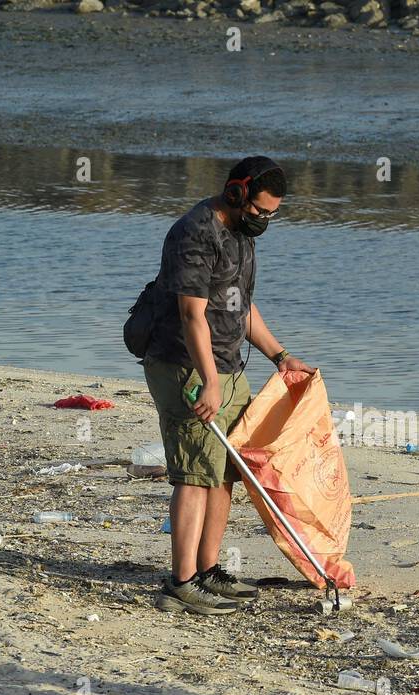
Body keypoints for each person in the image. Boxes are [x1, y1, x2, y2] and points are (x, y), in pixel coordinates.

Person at [142, 156, 314, 615]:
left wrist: (280, 355)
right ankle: (179, 584)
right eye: (260, 211)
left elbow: (243, 308)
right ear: (237, 194)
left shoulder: (242, 235)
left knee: (223, 474)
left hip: (229, 367)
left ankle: (208, 571)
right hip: (185, 367)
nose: (265, 220)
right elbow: (191, 314)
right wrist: (210, 382)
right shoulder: (195, 232)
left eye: (273, 214)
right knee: (194, 475)